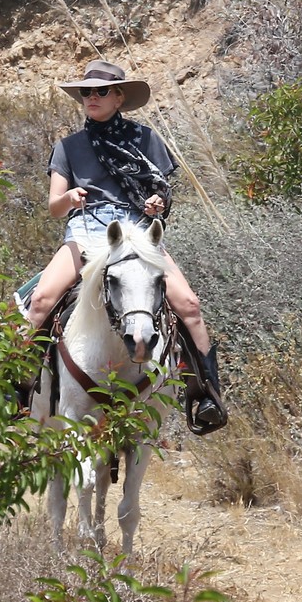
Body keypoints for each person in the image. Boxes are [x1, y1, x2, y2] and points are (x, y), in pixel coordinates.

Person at [22, 59, 227, 433]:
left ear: (119, 98)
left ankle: (205, 395)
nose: (92, 97)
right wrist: (69, 198)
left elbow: (161, 194)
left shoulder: (147, 140)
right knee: (40, 301)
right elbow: (53, 207)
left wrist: (156, 205)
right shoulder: (67, 147)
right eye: (86, 91)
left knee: (190, 306)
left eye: (101, 91)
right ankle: (16, 390)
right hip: (85, 232)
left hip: (137, 234)